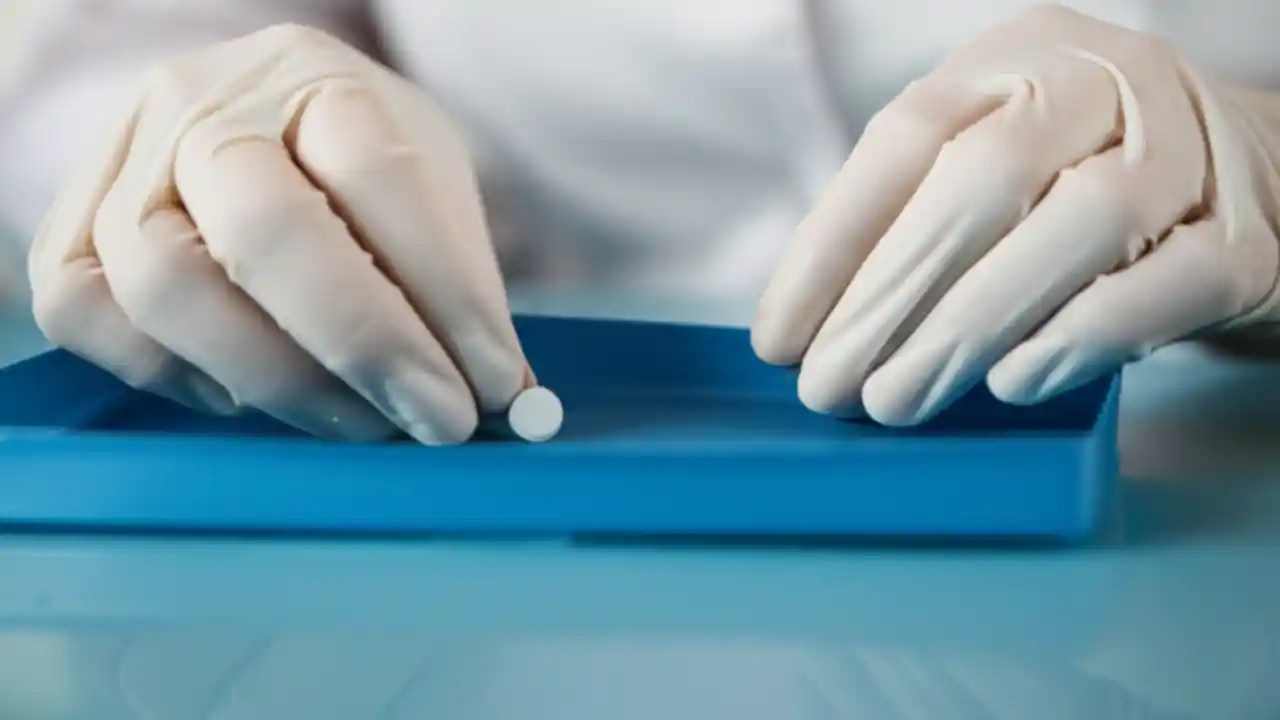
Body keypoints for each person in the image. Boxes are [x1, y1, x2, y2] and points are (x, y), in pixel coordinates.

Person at [0, 0, 1277, 444]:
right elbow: (121, 48)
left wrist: (1262, 166)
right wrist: (237, 158)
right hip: (538, 420)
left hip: (1208, 444)